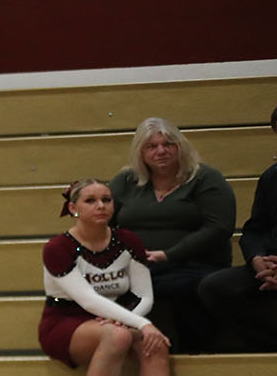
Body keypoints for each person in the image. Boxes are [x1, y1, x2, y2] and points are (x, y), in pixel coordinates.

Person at [39, 178, 169, 376]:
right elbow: (87, 299)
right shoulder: (58, 247)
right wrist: (141, 324)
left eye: (106, 200)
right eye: (90, 201)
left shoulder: (128, 240)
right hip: (67, 321)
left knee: (155, 343)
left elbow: (144, 295)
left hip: (117, 318)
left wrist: (129, 320)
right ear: (73, 208)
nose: (100, 206)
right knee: (119, 336)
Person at [110, 118, 239, 353]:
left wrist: (168, 254)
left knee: (182, 287)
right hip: (138, 265)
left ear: (181, 147)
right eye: (152, 146)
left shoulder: (206, 178)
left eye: (168, 144)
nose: (161, 151)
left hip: (196, 264)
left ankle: (194, 352)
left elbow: (219, 227)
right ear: (140, 152)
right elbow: (101, 223)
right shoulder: (125, 181)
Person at [197, 105, 277, 352]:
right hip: (270, 263)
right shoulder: (271, 177)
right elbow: (253, 229)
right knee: (214, 287)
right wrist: (257, 259)